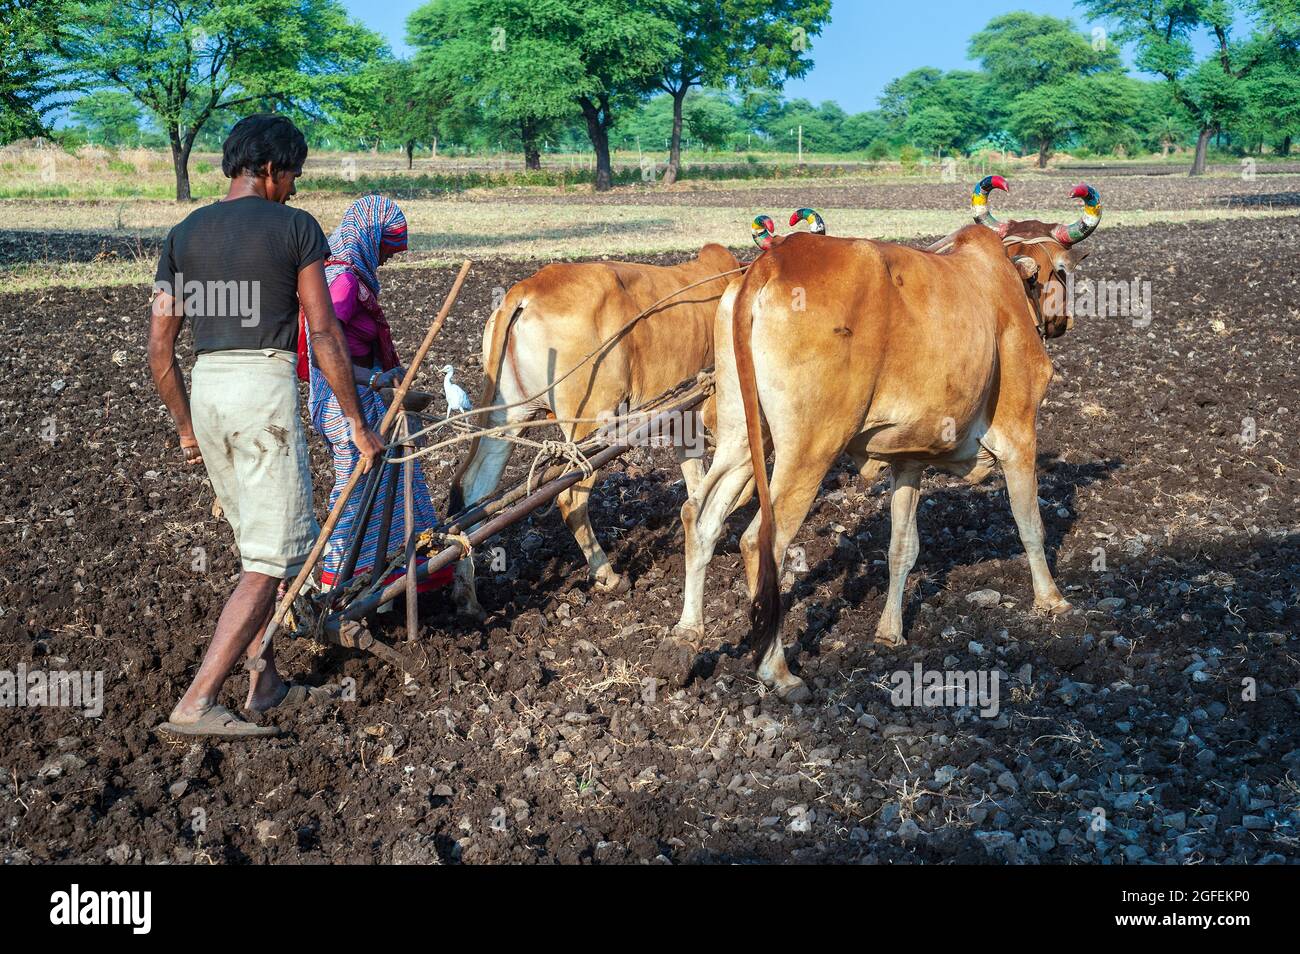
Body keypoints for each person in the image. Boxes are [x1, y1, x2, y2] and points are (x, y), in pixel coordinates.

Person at [149, 114, 384, 738]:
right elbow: (324, 331)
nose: (294, 190)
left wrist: (185, 427)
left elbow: (158, 348)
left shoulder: (183, 234)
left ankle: (266, 677)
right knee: (269, 558)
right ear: (274, 170)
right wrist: (358, 424)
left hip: (208, 389)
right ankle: (197, 701)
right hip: (261, 391)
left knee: (259, 540)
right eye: (294, 177)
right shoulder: (295, 228)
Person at [298, 195, 451, 595]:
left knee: (387, 482)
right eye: (386, 248)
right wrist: (373, 381)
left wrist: (385, 376)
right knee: (358, 486)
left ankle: (391, 572)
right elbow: (322, 351)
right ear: (369, 238)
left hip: (356, 393)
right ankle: (340, 578)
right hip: (344, 400)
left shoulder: (347, 276)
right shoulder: (343, 281)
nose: (386, 259)